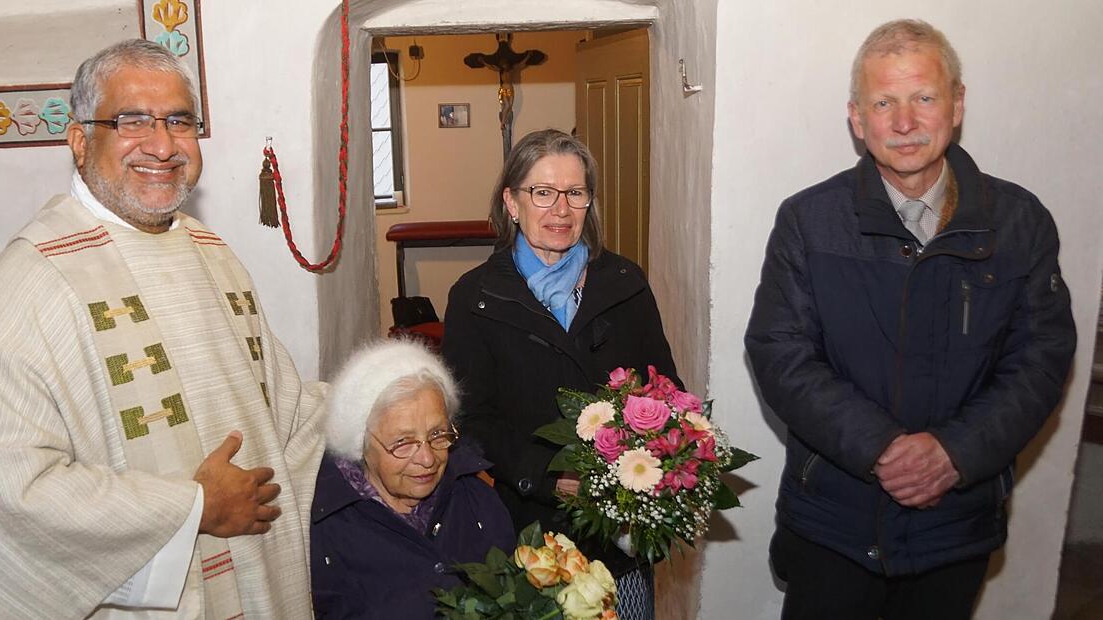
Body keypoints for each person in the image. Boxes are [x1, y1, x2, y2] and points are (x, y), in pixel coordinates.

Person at [0, 39, 326, 618]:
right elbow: (9, 491)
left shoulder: (212, 251)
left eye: (179, 121)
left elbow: (282, 408)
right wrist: (193, 507)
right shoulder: (27, 286)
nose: (163, 145)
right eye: (132, 121)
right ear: (78, 141)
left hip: (251, 573)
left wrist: (378, 415)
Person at [745, 19, 1076, 620]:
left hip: (955, 526)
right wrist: (881, 446)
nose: (904, 122)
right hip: (833, 527)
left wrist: (955, 451)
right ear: (856, 117)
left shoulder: (1020, 223)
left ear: (956, 105)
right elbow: (778, 351)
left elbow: (1041, 359)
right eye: (883, 102)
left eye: (923, 97)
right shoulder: (808, 221)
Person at [442, 128, 679, 619]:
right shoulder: (476, 297)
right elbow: (470, 420)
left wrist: (640, 466)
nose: (561, 210)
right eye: (543, 193)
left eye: (575, 193)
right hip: (525, 530)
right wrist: (547, 477)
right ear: (511, 202)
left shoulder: (624, 282)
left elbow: (665, 393)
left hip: (617, 528)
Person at [309, 339, 515, 618]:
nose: (427, 459)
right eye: (403, 442)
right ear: (360, 443)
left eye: (437, 435)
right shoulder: (328, 531)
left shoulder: (475, 496)